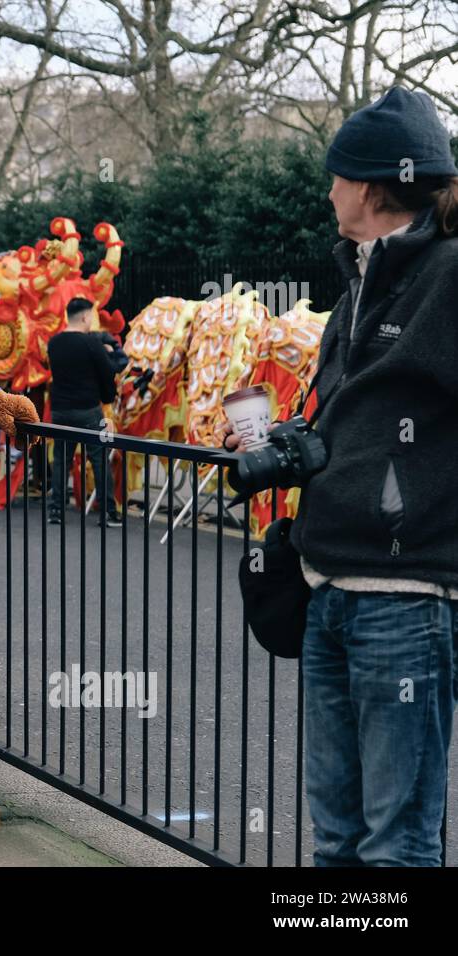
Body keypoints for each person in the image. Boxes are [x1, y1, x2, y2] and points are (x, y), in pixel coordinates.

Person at [224, 87, 458, 867]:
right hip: (326, 582)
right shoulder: (359, 280)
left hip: (406, 599)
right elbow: (352, 419)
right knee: (337, 838)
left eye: (335, 178)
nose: (327, 193)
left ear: (368, 187)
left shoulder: (448, 275)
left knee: (397, 843)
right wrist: (287, 440)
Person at [45, 297, 120, 526]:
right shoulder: (91, 343)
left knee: (61, 459)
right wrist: (108, 397)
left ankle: (56, 510)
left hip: (60, 410)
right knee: (99, 458)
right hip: (88, 409)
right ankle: (108, 512)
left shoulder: (54, 343)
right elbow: (107, 373)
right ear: (86, 316)